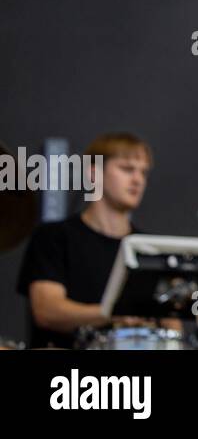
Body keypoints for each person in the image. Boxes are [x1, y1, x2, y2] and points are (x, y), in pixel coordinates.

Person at [15, 131, 168, 348]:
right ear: (94, 173)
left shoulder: (148, 249)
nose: (137, 180)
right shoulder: (54, 237)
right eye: (127, 169)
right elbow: (47, 310)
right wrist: (113, 314)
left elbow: (172, 326)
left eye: (143, 173)